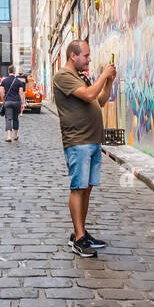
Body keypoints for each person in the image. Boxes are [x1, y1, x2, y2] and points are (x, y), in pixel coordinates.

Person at [53, 40, 116, 258]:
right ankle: (78, 239)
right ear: (73, 56)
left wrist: (108, 82)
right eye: (86, 56)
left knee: (87, 188)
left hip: (92, 141)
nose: (89, 60)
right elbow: (89, 95)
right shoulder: (63, 77)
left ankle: (80, 232)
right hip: (78, 141)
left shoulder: (81, 77)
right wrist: (102, 76)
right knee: (78, 188)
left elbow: (99, 100)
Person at [0, 66, 26, 143]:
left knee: (8, 118)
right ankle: (15, 135)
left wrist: (4, 99)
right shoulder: (18, 81)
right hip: (16, 102)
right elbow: (21, 93)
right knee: (15, 118)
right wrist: (22, 103)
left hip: (8, 101)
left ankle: (8, 137)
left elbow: (1, 91)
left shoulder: (4, 81)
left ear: (8, 71)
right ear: (14, 72)